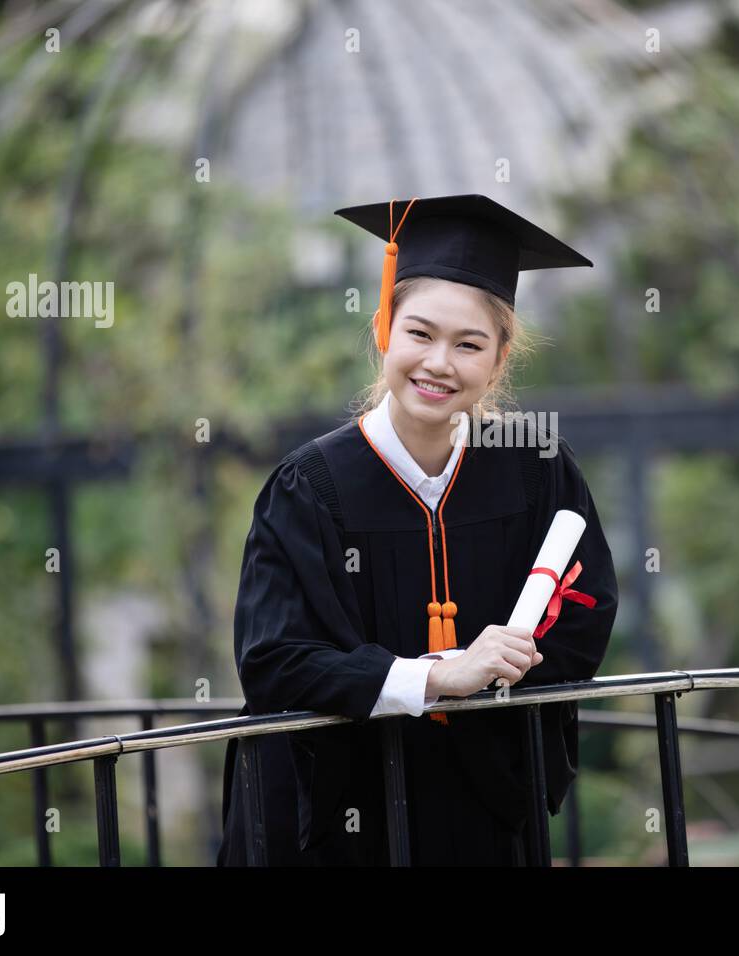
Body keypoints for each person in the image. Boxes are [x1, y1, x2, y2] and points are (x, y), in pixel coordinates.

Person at [217, 193, 619, 866]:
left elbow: (583, 605)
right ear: (383, 328)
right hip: (336, 823)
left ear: (499, 360)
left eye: (469, 344)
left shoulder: (536, 468)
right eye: (420, 333)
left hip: (482, 810)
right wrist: (438, 678)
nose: (439, 363)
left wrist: (500, 677)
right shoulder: (310, 488)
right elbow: (275, 661)